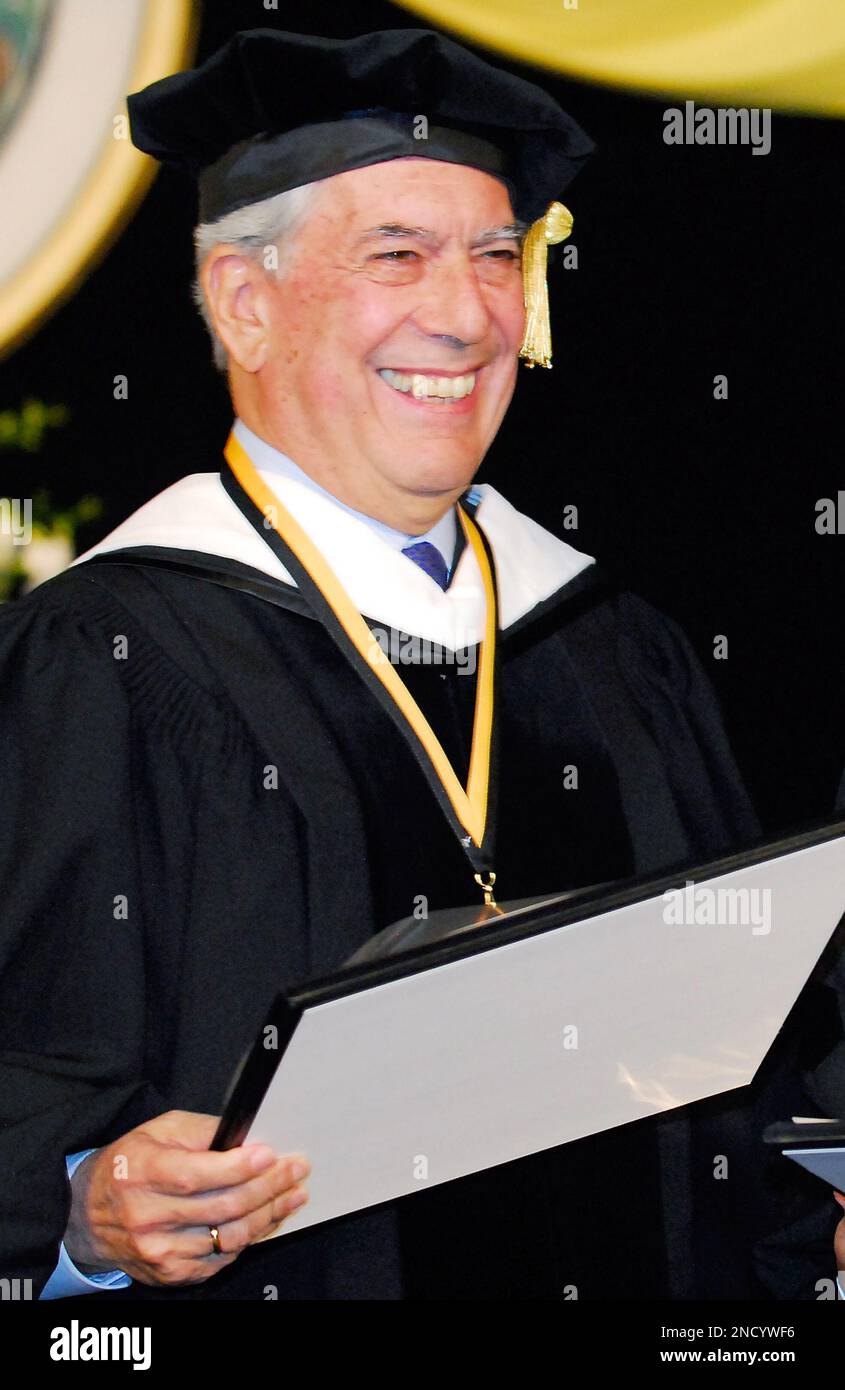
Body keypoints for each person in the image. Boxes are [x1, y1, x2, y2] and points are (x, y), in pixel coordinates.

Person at [0, 27, 837, 1301]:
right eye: (397, 256)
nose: (462, 314)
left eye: (496, 258)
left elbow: (750, 1084)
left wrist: (814, 1231)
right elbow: (33, 1082)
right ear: (244, 303)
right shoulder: (105, 660)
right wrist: (78, 1217)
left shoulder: (618, 651)